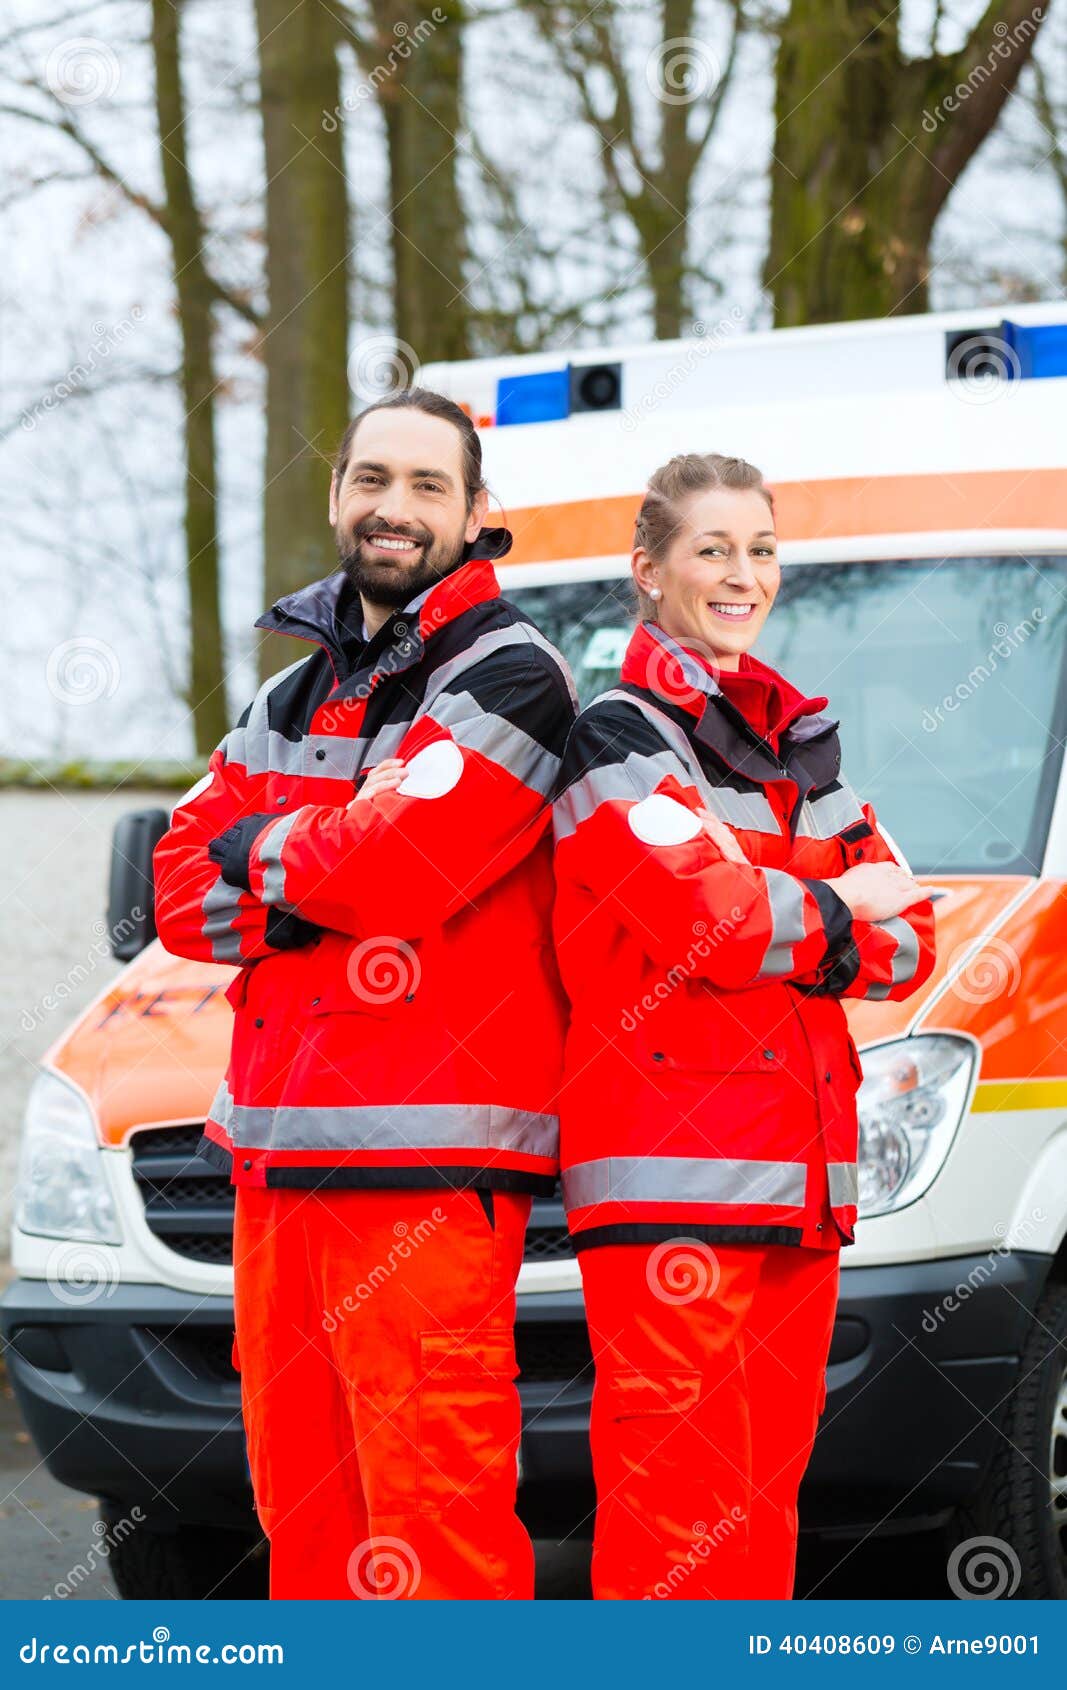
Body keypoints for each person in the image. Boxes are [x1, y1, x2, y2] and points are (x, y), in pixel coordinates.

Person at [152, 389, 578, 1600]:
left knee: (432, 1530)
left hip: (426, 1183)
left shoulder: (510, 675)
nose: (393, 509)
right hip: (274, 1178)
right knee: (307, 1529)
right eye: (371, 479)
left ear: (477, 513)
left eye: (427, 486)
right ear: (339, 495)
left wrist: (270, 858)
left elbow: (401, 865)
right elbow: (176, 889)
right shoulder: (286, 697)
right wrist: (316, 872)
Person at [551, 451, 936, 1600]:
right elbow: (710, 930)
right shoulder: (614, 736)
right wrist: (829, 893)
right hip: (670, 1187)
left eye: (759, 548)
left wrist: (770, 890)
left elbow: (912, 937)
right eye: (710, 549)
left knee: (760, 1517)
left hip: (797, 1186)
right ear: (647, 569)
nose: (740, 574)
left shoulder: (791, 742)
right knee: (676, 1519)